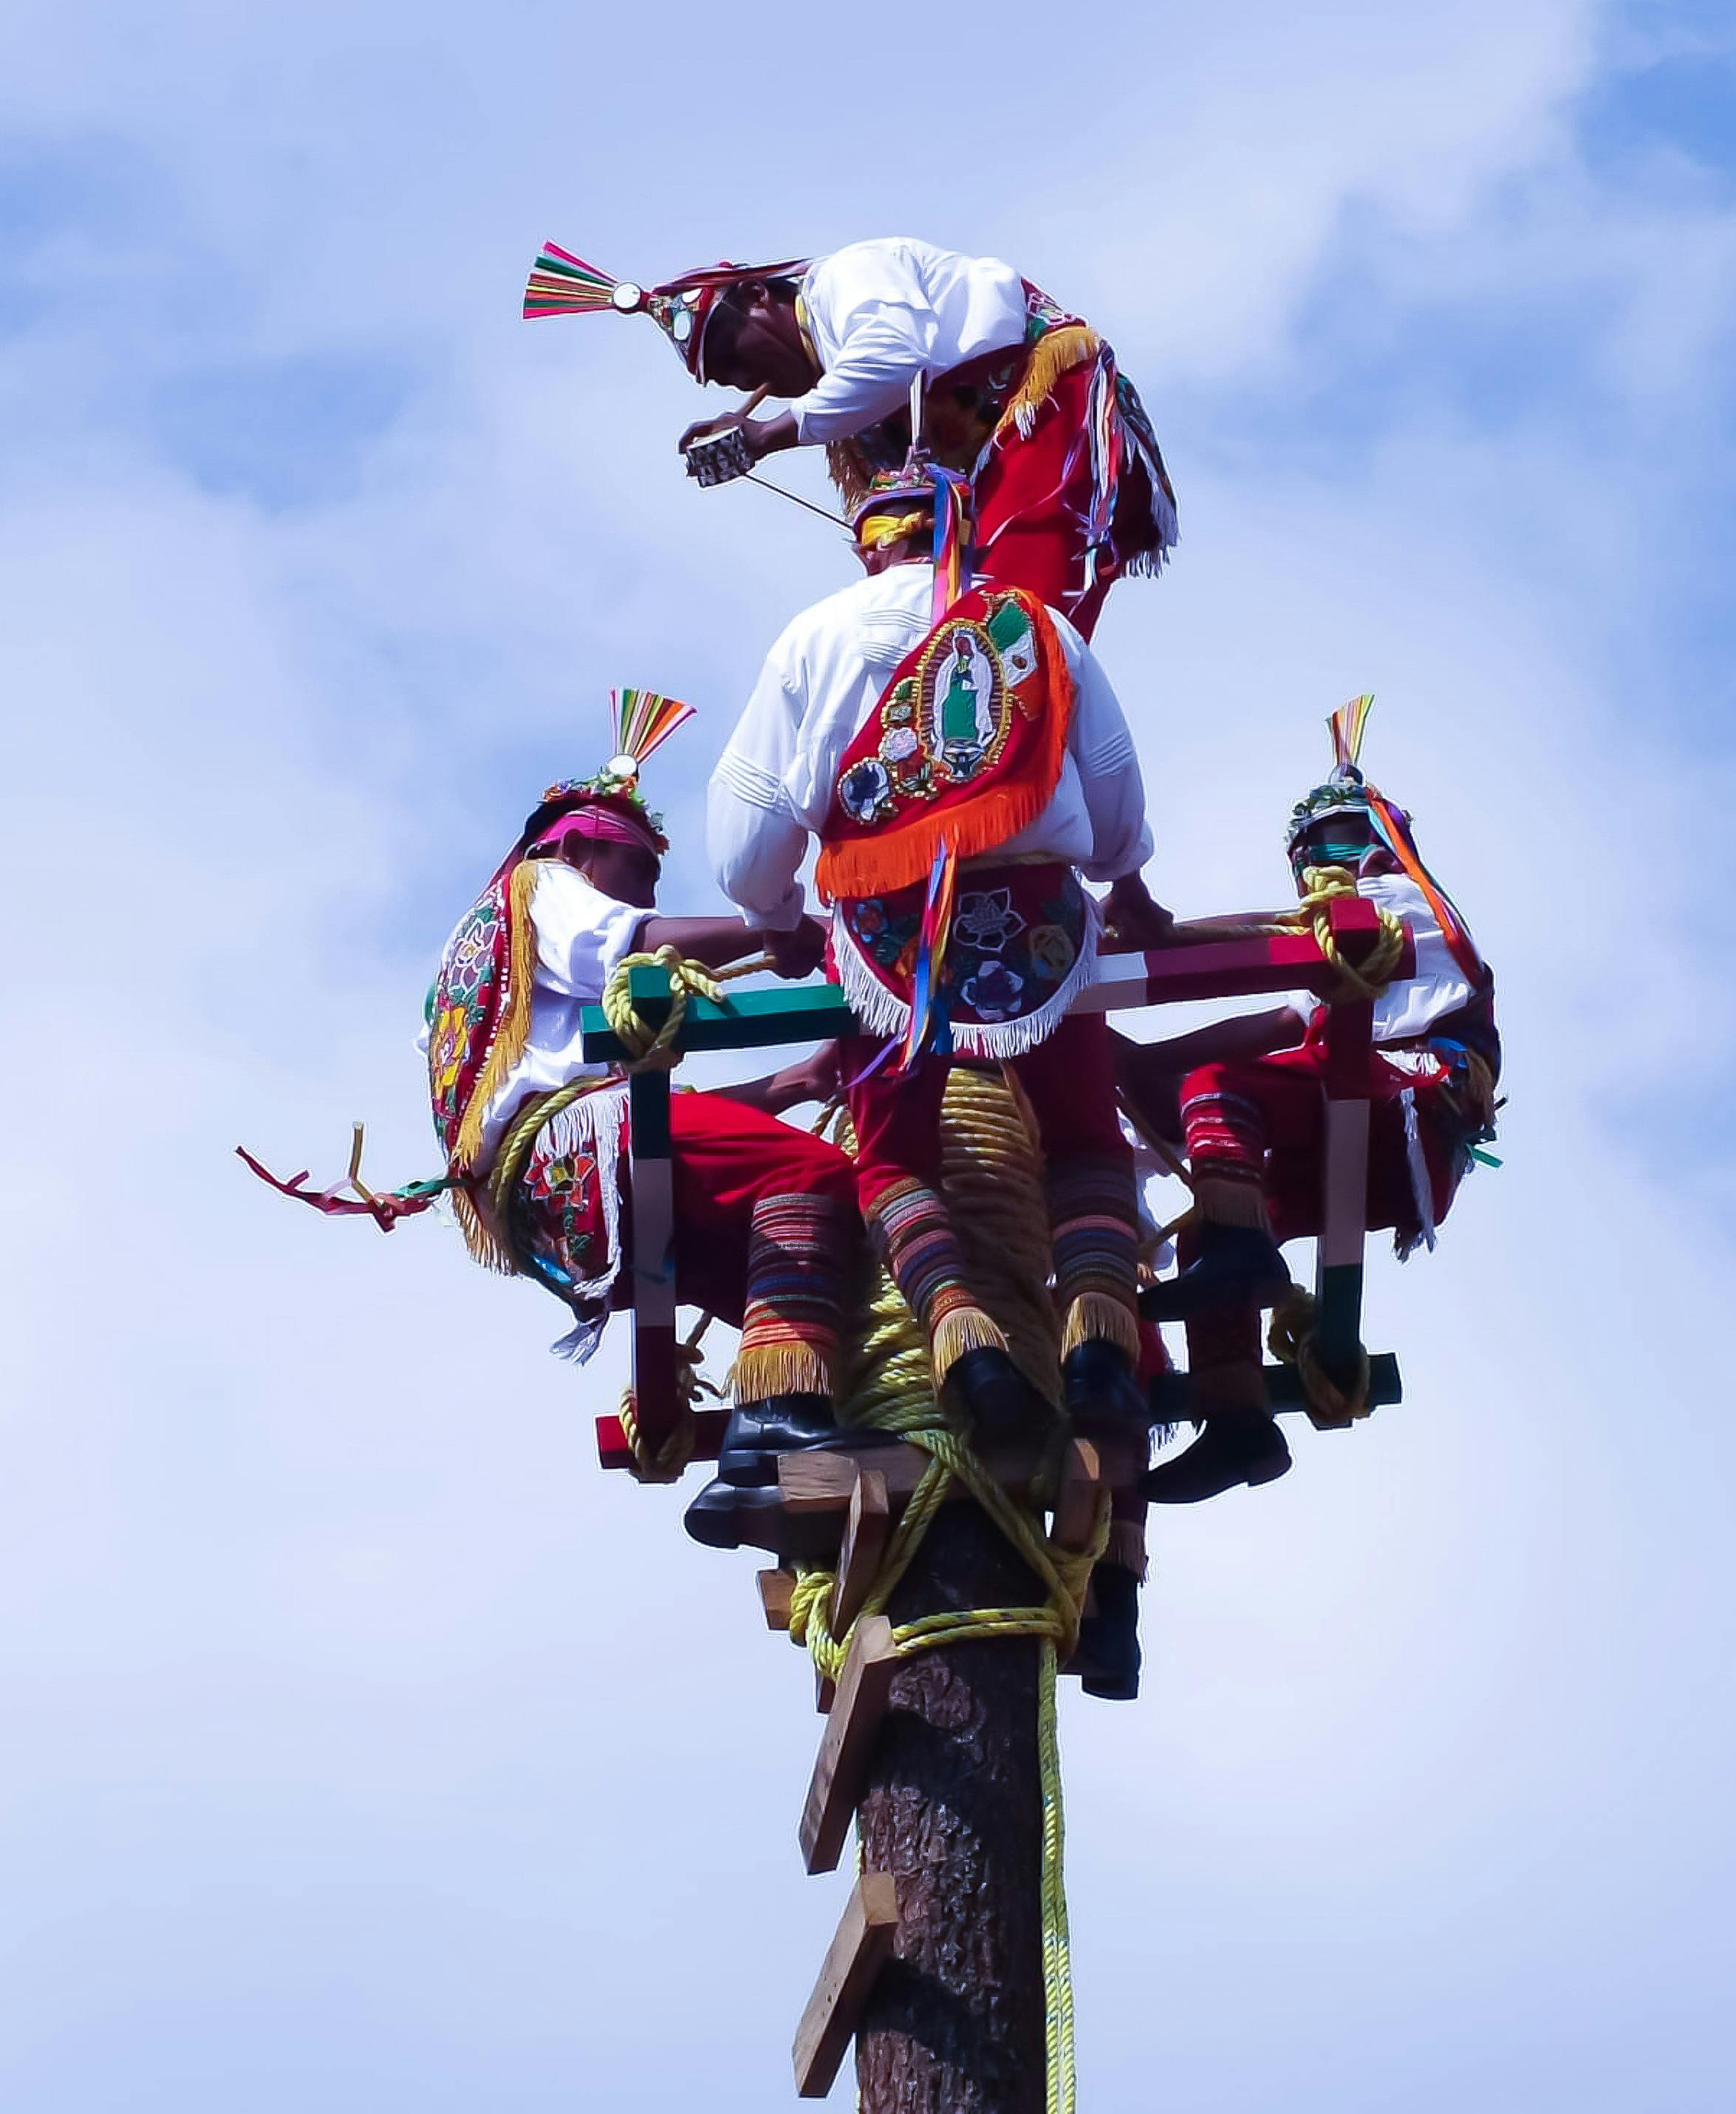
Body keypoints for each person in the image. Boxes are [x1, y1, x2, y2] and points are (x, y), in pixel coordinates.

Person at [708, 469, 1175, 1449]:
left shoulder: (815, 635)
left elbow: (749, 832)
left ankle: (963, 1337)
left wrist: (776, 917)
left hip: (886, 942)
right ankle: (1099, 1348)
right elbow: (1110, 786)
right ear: (962, 536)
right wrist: (1127, 882)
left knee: (889, 1158)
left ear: (870, 542)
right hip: (1039, 931)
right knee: (1086, 1142)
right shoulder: (1036, 624)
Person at [417, 689, 863, 1476]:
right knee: (819, 1177)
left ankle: (764, 1463)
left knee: (813, 1290)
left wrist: (798, 1080)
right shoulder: (541, 885)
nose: (651, 894)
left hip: (555, 1214)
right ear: (576, 846)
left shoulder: (471, 968)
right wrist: (781, 929)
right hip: (591, 1158)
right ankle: (774, 1426)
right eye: (640, 868)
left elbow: (645, 1117)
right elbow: (627, 945)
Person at [1118, 698, 1500, 1505]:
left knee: (1219, 1089)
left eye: (1327, 845)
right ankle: (1239, 1424)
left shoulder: (1406, 906)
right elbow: (1278, 1018)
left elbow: (1276, 942)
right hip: (1371, 1136)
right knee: (1210, 1229)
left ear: (1379, 842)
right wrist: (1140, 1058)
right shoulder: (1347, 947)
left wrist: (1152, 937)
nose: (1313, 868)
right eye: (1304, 855)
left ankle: (1243, 1255)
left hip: (1407, 1101)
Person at [660, 237, 1177, 636]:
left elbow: (892, 356)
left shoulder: (847, 274)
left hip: (1044, 412)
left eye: (733, 354)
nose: (745, 379)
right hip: (1003, 465)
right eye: (729, 381)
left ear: (758, 294)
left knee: (1005, 620)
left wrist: (766, 436)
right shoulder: (846, 402)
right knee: (956, 625)